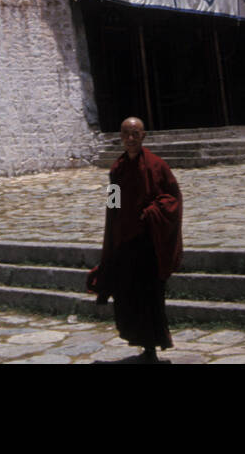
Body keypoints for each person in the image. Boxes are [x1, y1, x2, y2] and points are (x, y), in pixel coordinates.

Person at [86, 116, 183, 363]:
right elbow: (113, 203)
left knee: (149, 296)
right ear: (121, 137)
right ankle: (138, 341)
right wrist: (113, 231)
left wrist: (152, 213)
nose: (130, 139)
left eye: (135, 134)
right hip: (126, 243)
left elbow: (173, 200)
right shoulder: (117, 170)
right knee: (128, 295)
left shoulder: (157, 166)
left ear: (143, 137)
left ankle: (151, 347)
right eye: (126, 134)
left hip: (148, 244)